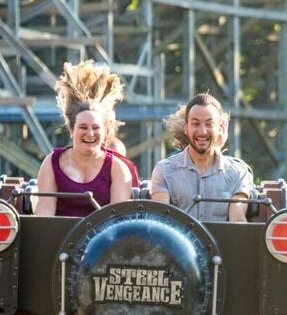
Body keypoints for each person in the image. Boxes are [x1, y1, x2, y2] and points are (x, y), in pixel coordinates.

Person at [35, 60, 135, 217]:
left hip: (104, 240)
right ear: (71, 130)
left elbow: (118, 220)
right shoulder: (51, 162)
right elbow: (44, 212)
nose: (90, 134)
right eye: (83, 127)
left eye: (96, 128)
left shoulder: (118, 168)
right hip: (59, 239)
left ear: (105, 133)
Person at [150, 92, 253, 222]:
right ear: (186, 128)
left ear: (220, 128)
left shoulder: (238, 173)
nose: (203, 131)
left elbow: (237, 221)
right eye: (196, 124)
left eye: (209, 124)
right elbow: (161, 223)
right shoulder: (164, 170)